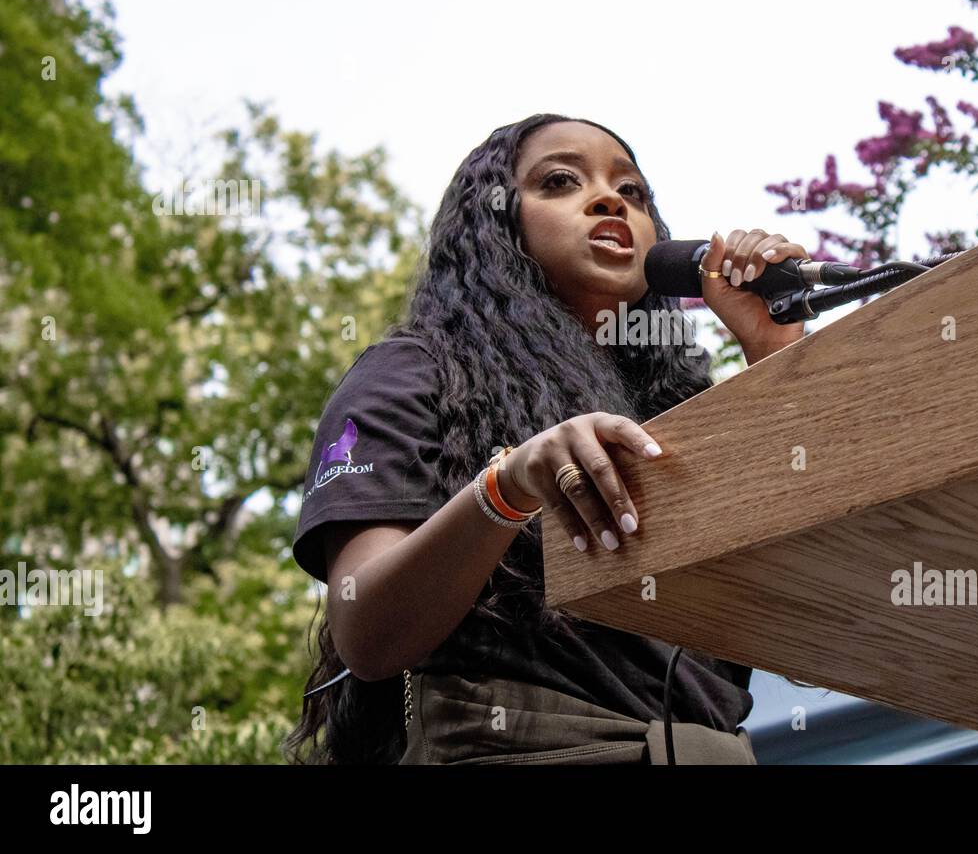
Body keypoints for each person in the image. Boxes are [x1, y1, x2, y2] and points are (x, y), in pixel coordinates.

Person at [282, 113, 809, 765]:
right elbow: (367, 634)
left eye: (634, 192)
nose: (610, 199)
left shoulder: (682, 411)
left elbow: (809, 595)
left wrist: (773, 357)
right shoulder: (415, 372)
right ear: (498, 225)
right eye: (560, 180)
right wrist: (508, 486)